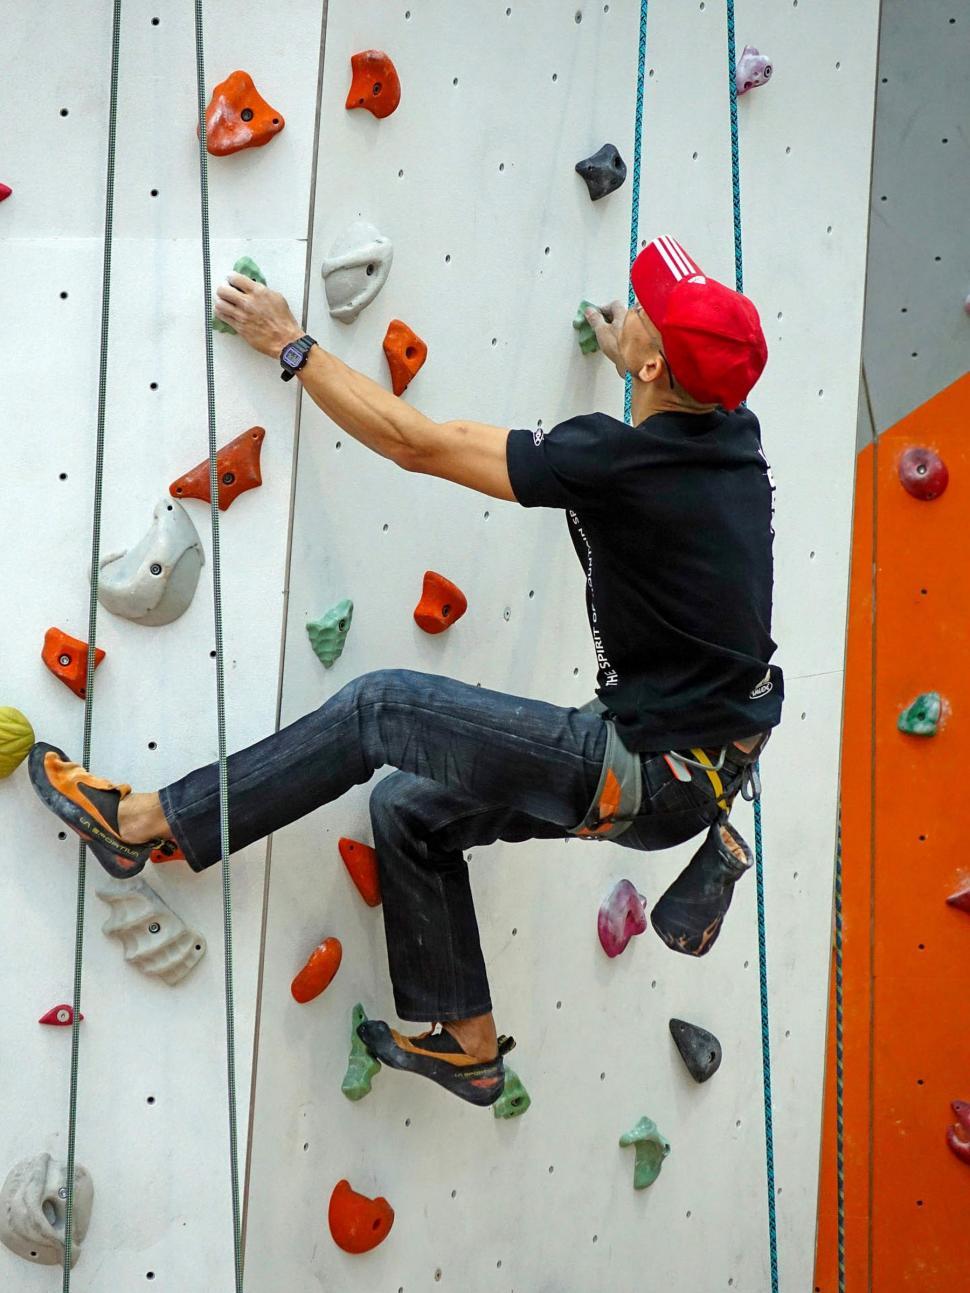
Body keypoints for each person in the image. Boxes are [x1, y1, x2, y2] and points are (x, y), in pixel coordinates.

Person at [29, 233, 783, 1108]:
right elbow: (673, 411)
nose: (636, 304)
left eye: (647, 311)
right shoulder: (733, 442)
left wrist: (290, 343)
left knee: (379, 707)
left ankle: (143, 821)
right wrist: (633, 355)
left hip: (646, 769)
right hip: (696, 770)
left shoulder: (618, 460)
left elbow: (416, 442)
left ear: (653, 367)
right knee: (409, 811)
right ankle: (468, 1041)